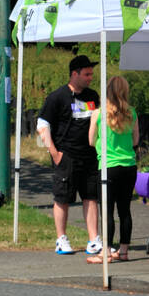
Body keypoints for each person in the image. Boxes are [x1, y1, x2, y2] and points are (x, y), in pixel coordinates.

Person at [37, 54, 103, 257]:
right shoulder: (57, 97)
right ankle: (61, 239)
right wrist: (55, 154)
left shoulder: (92, 96)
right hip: (66, 156)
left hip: (90, 156)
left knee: (91, 197)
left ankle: (93, 239)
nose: (90, 77)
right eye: (86, 74)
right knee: (63, 198)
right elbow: (42, 126)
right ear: (74, 74)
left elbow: (99, 121)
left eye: (91, 74)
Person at [87, 75, 140, 263]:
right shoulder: (132, 113)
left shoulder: (99, 114)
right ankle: (123, 251)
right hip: (128, 166)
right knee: (124, 210)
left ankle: (106, 252)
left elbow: (91, 141)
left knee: (107, 211)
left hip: (108, 166)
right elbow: (135, 141)